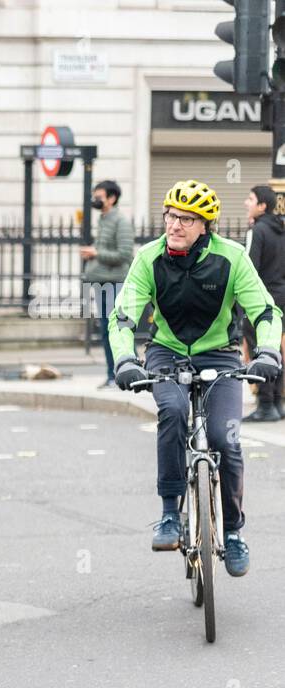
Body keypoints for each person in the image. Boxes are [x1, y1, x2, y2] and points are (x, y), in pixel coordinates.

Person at [109, 180, 283, 575]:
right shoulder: (149, 258)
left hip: (220, 354)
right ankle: (170, 512)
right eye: (171, 216)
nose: (175, 225)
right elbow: (122, 315)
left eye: (187, 219)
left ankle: (235, 531)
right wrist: (124, 360)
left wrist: (268, 350)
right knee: (171, 412)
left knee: (226, 437)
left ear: (206, 226)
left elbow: (266, 311)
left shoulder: (232, 257)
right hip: (166, 351)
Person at [81, 179, 134, 388]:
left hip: (115, 283)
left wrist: (96, 253)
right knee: (105, 330)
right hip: (101, 282)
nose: (95, 199)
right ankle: (111, 374)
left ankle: (120, 374)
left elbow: (124, 254)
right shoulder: (104, 219)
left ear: (111, 198)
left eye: (99, 196)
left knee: (118, 330)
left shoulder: (120, 220)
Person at [242, 185, 285, 421]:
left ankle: (266, 405)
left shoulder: (256, 231)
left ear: (262, 206)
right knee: (275, 349)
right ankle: (277, 403)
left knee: (260, 348)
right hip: (281, 297)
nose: (246, 203)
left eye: (250, 199)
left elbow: (249, 270)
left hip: (260, 301)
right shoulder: (281, 230)